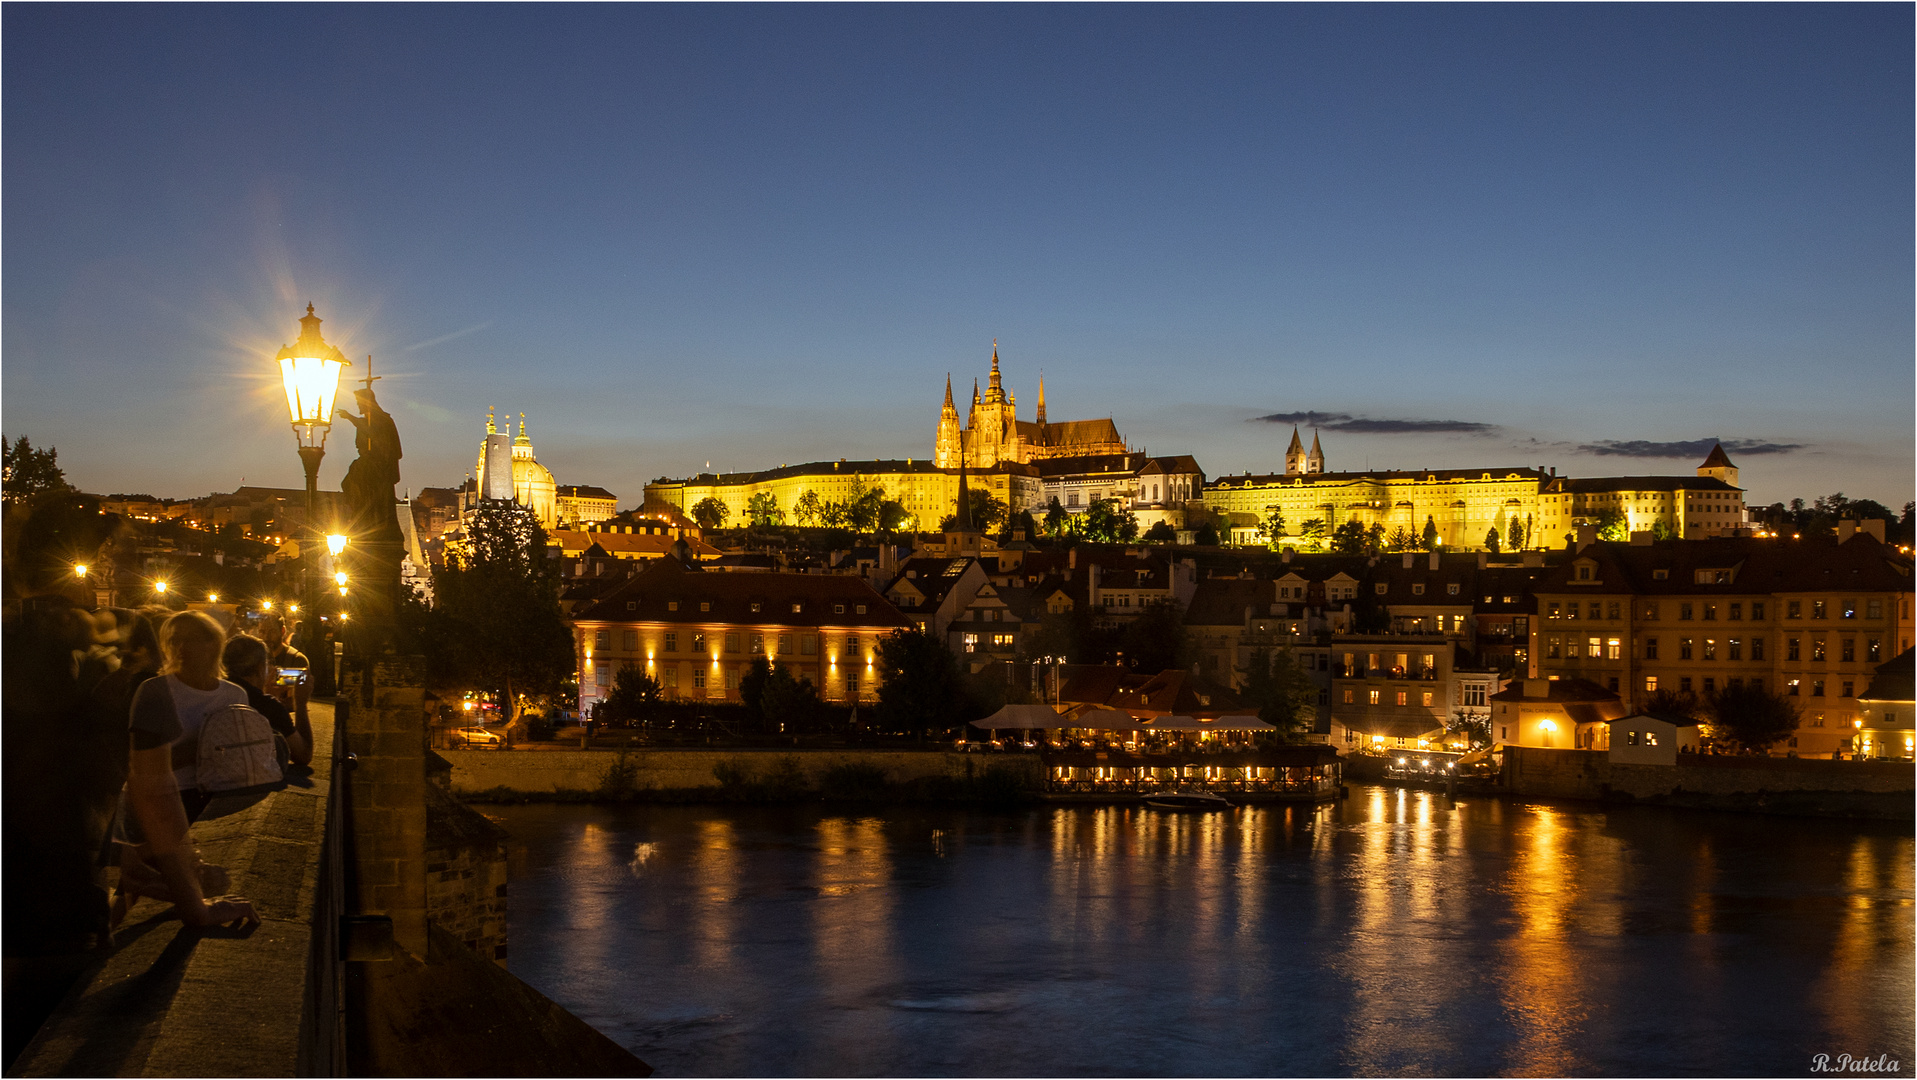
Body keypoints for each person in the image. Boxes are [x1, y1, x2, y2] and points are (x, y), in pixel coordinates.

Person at [129, 611, 250, 821]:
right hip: (168, 798)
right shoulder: (155, 690)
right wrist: (208, 747)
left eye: (191, 639)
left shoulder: (234, 694)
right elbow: (142, 763)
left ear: (212, 644)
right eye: (175, 640)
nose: (181, 647)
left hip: (217, 795)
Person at [220, 633, 311, 767]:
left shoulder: (213, 693)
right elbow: (303, 755)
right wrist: (301, 703)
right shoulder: (268, 706)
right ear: (260, 668)